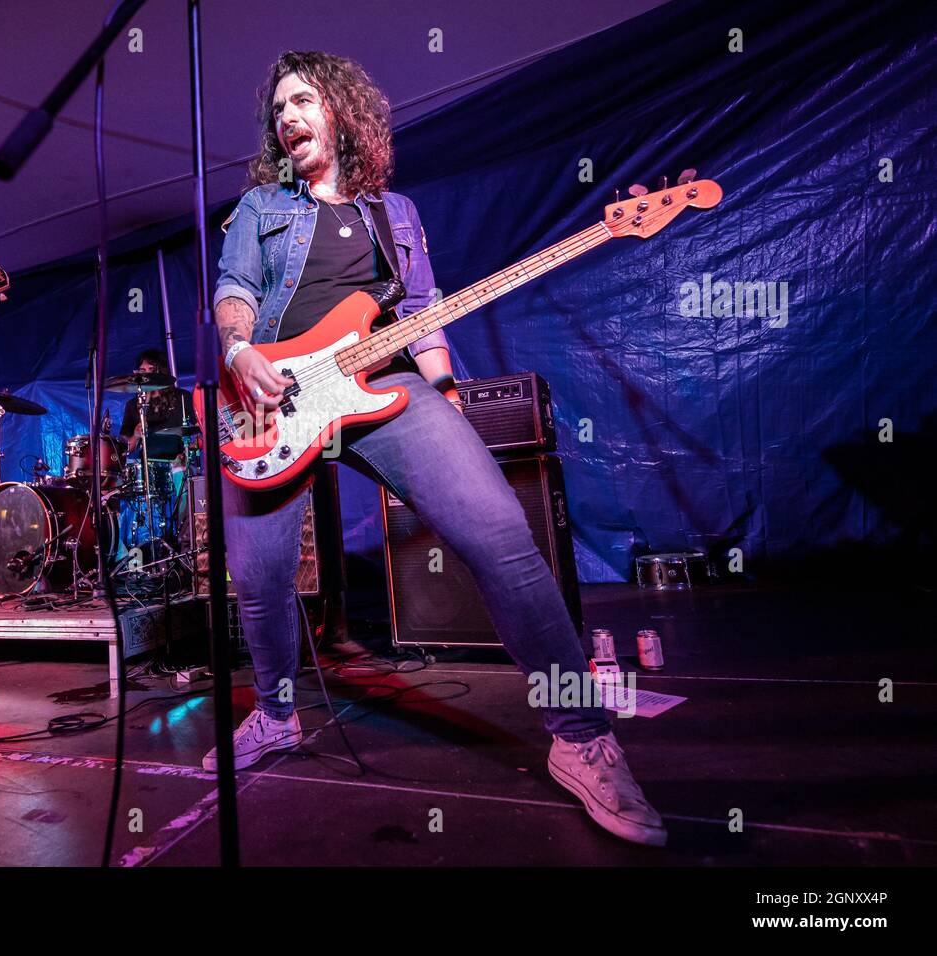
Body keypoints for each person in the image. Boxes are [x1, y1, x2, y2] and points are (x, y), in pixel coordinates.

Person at [208, 52, 666, 846]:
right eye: (277, 106)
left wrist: (447, 393)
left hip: (382, 384)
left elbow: (423, 307)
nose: (286, 115)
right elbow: (235, 289)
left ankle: (582, 736)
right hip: (272, 399)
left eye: (303, 98)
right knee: (257, 579)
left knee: (503, 539)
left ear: (342, 111)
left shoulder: (397, 211)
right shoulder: (258, 206)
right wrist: (240, 350)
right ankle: (277, 715)